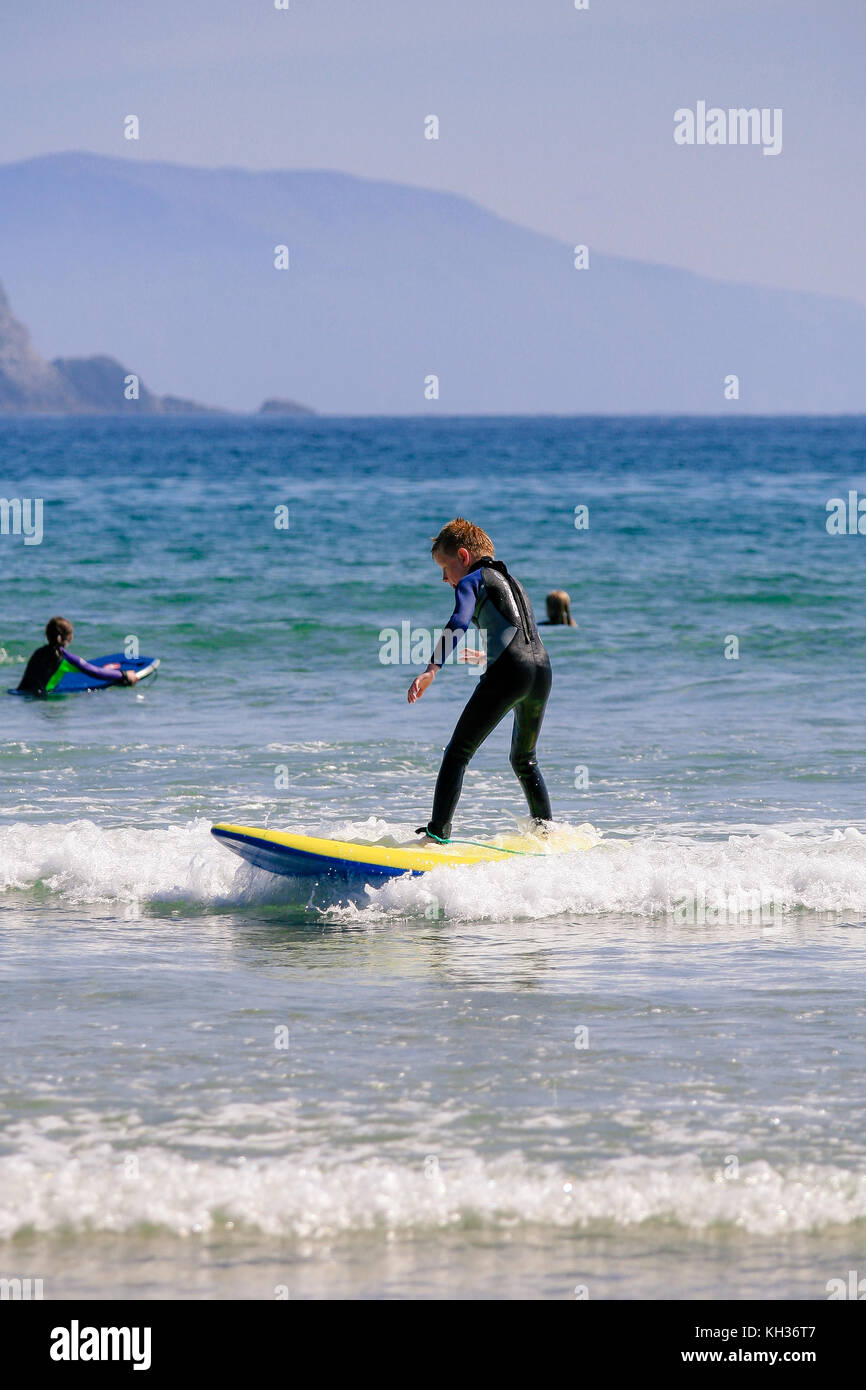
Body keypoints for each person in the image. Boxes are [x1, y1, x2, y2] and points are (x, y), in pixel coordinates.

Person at [408, 518, 553, 842]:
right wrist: (489, 656)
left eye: (444, 568)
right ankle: (546, 835)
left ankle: (437, 835)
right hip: (541, 670)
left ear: (463, 556)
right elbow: (521, 635)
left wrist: (432, 668)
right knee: (524, 760)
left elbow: (458, 621)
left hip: (510, 672)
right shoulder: (512, 581)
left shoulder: (471, 580)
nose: (445, 578)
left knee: (458, 752)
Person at [17, 616, 139, 695]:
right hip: (38, 699)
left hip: (20, 694)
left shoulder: (38, 652)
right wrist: (124, 675)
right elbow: (95, 672)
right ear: (69, 638)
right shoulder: (65, 658)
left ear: (47, 635)